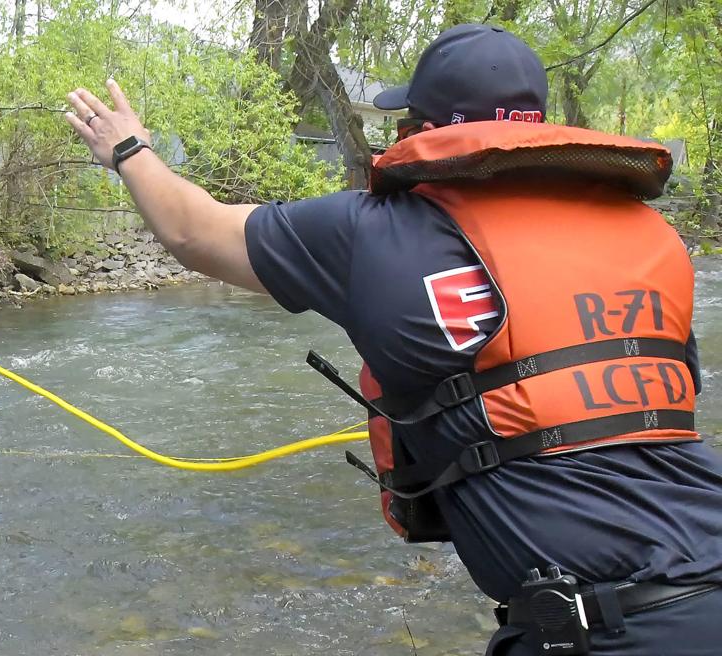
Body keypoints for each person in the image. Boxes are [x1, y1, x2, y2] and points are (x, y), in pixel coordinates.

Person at [65, 23, 722, 656]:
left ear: (424, 131)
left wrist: (128, 148)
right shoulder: (653, 241)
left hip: (610, 635)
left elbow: (194, 232)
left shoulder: (375, 234)